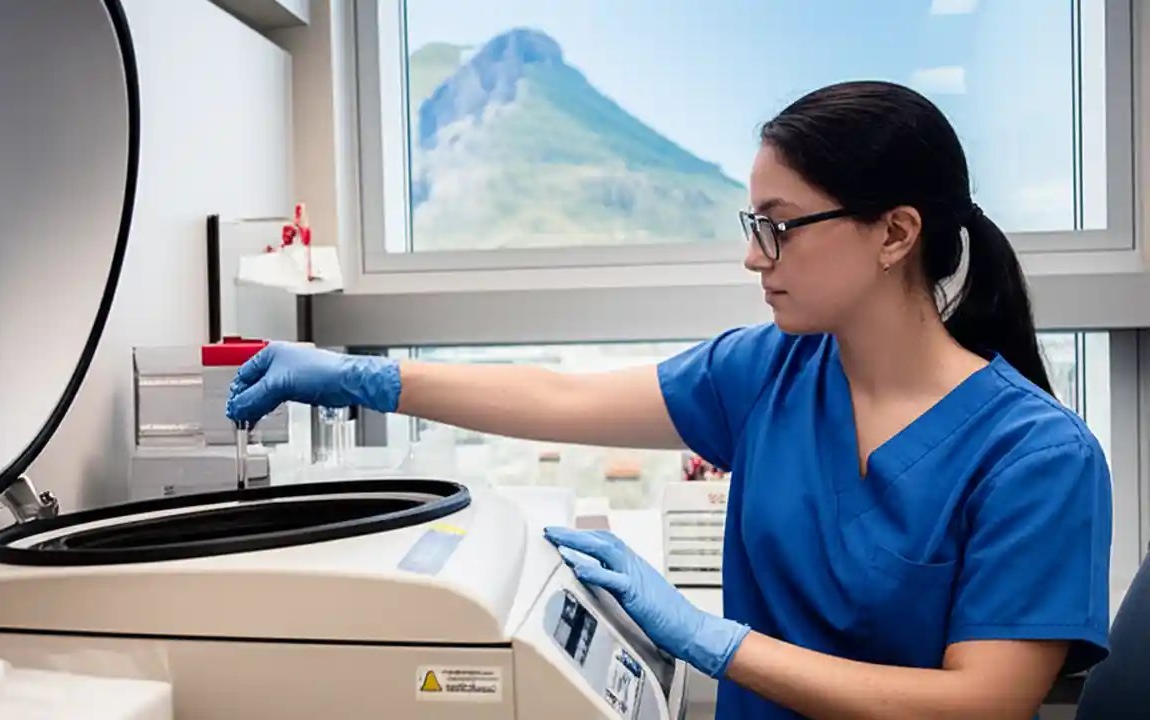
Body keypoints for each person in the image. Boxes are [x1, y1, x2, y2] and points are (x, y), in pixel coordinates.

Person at [226, 80, 1112, 720]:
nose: (754, 256)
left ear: (895, 233)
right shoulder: (769, 371)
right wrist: (362, 374)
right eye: (751, 226)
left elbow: (982, 704)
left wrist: (713, 641)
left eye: (780, 225)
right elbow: (557, 398)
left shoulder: (1036, 458)